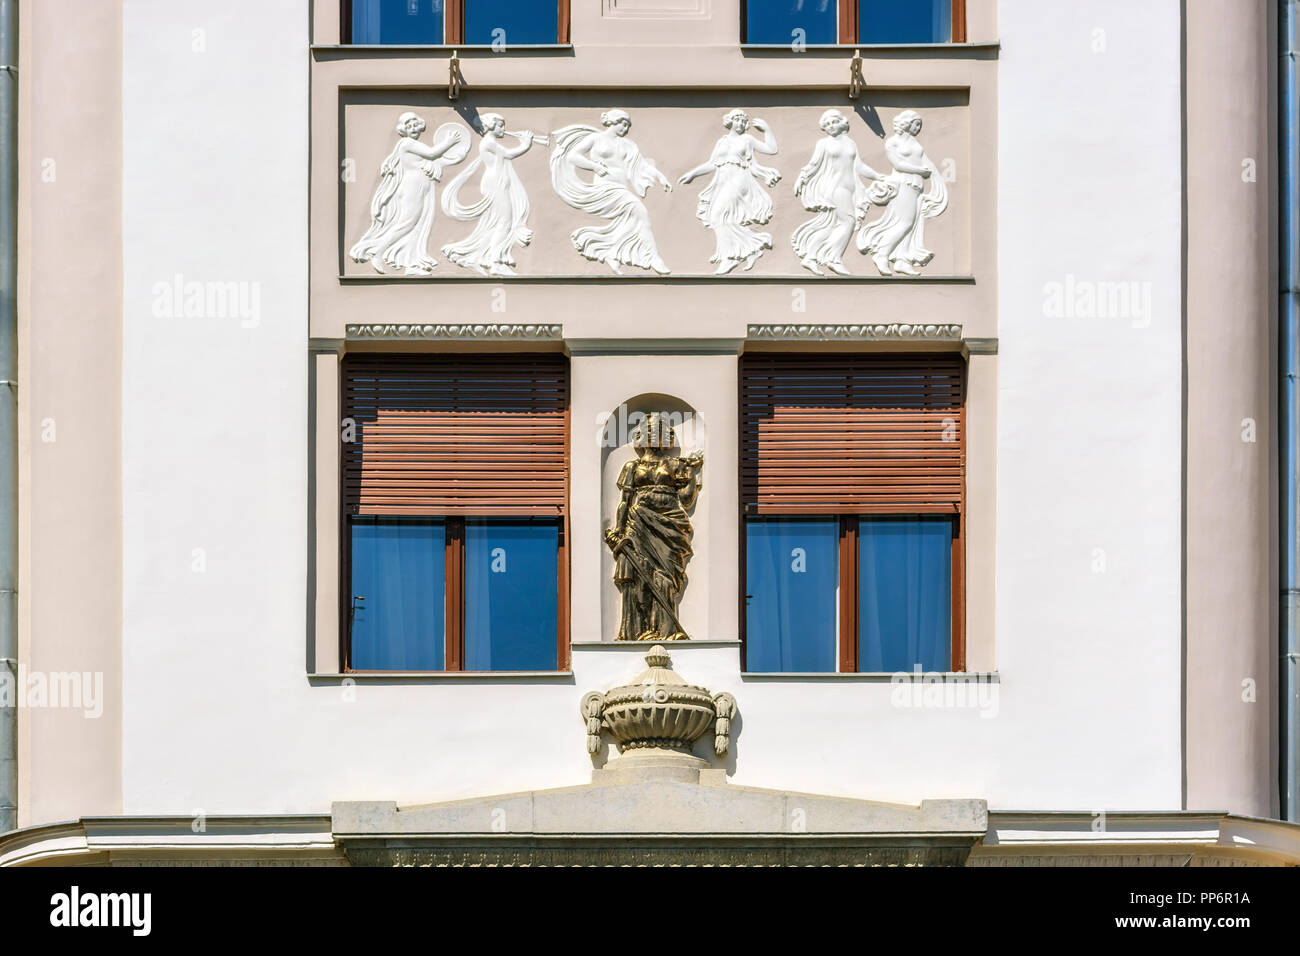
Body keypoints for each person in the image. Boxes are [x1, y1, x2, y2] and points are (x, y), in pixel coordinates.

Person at [604, 414, 704, 641]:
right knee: (639, 577)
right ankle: (640, 631)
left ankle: (667, 631)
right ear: (641, 435)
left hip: (670, 524)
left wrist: (691, 475)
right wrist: (619, 529)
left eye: (659, 430)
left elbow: (687, 500)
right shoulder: (632, 466)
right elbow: (624, 500)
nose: (654, 434)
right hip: (639, 523)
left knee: (666, 578)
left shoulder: (676, 464)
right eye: (650, 430)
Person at [550, 109, 673, 275]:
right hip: (604, 188)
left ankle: (609, 253)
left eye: (628, 126)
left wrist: (660, 177)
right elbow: (573, 156)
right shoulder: (596, 138)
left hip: (621, 188)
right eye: (623, 124)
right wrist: (594, 166)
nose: (626, 129)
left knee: (630, 220)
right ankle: (653, 258)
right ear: (614, 121)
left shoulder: (628, 145)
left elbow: (642, 165)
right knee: (640, 211)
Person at [349, 112, 468, 275]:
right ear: (403, 130)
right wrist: (450, 141)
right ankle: (377, 252)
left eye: (415, 125)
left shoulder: (413, 148)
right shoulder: (406, 143)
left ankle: (412, 264)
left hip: (422, 187)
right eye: (408, 126)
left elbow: (433, 161)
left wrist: (456, 156)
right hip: (413, 187)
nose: (412, 129)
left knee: (417, 226)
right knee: (407, 224)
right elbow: (432, 153)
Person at [678, 109, 781, 274]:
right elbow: (712, 163)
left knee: (719, 216)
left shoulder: (747, 139)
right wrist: (692, 173)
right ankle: (752, 247)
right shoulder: (722, 141)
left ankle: (729, 258)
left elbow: (771, 149)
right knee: (720, 219)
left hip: (739, 180)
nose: (740, 123)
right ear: (730, 121)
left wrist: (767, 129)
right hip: (722, 181)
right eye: (737, 120)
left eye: (743, 121)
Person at [440, 113, 536, 277]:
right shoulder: (489, 143)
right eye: (500, 125)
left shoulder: (491, 143)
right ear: (491, 126)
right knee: (504, 222)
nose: (504, 129)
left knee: (501, 222)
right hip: (495, 184)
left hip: (498, 183)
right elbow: (508, 154)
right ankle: (495, 263)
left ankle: (493, 257)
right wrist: (525, 145)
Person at [791, 108, 883, 277]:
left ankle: (810, 257)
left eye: (834, 122)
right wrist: (802, 178)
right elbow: (813, 164)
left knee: (832, 225)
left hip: (850, 189)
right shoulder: (824, 144)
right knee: (848, 222)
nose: (831, 126)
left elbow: (859, 166)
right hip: (834, 188)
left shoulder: (850, 143)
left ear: (842, 123)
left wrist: (877, 176)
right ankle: (833, 259)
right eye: (827, 124)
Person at [856, 109, 948, 276]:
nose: (918, 127)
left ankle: (902, 261)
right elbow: (898, 165)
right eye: (916, 123)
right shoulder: (892, 142)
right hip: (903, 183)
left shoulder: (915, 143)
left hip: (916, 186)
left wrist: (933, 180)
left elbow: (925, 162)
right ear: (907, 123)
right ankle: (882, 254)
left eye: (919, 125)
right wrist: (920, 171)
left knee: (912, 224)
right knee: (904, 222)